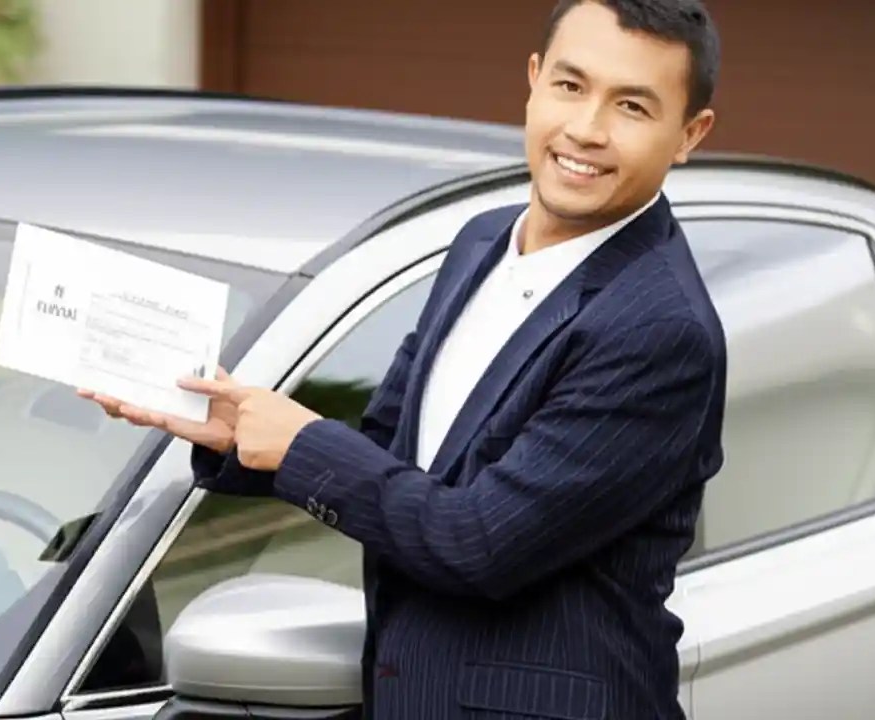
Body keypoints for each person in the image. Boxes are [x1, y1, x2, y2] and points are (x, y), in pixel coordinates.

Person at [81, 0, 726, 717]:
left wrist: (299, 444)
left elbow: (479, 541)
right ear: (535, 79)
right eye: (571, 87)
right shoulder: (482, 242)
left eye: (631, 106)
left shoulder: (657, 329)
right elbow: (394, 450)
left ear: (688, 135)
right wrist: (247, 438)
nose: (586, 129)